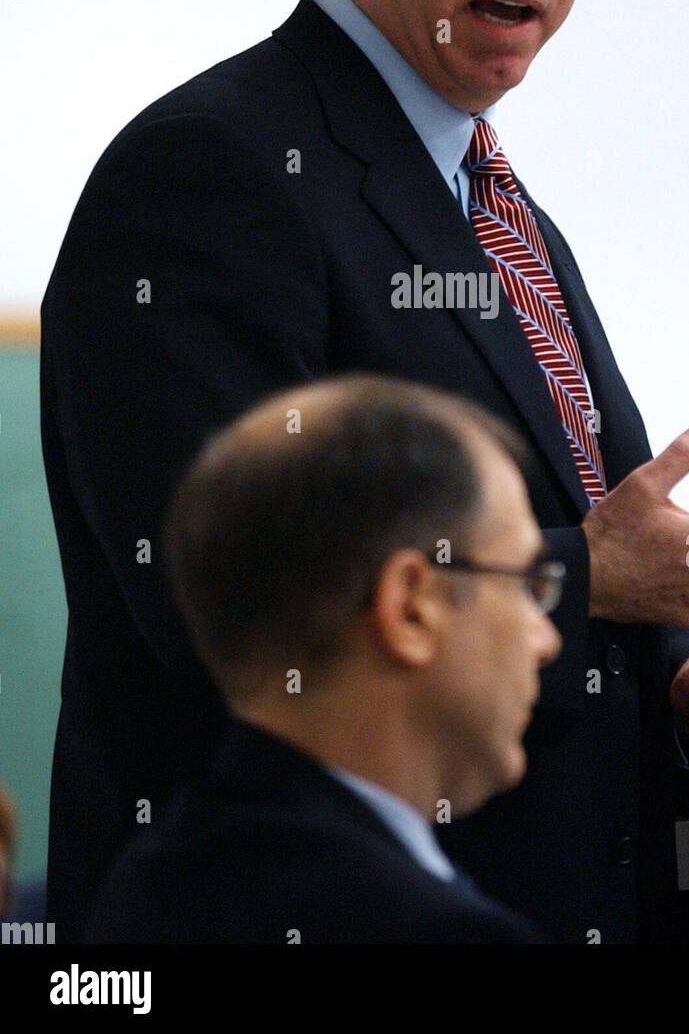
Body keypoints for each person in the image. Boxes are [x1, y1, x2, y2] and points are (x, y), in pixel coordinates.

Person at [41, 0, 689, 944]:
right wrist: (597, 580)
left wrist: (684, 669)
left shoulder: (493, 199)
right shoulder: (214, 173)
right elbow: (219, 605)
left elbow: (584, 536)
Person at [83, 375, 554, 943]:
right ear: (411, 609)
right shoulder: (438, 932)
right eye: (526, 583)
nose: (546, 639)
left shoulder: (142, 888)